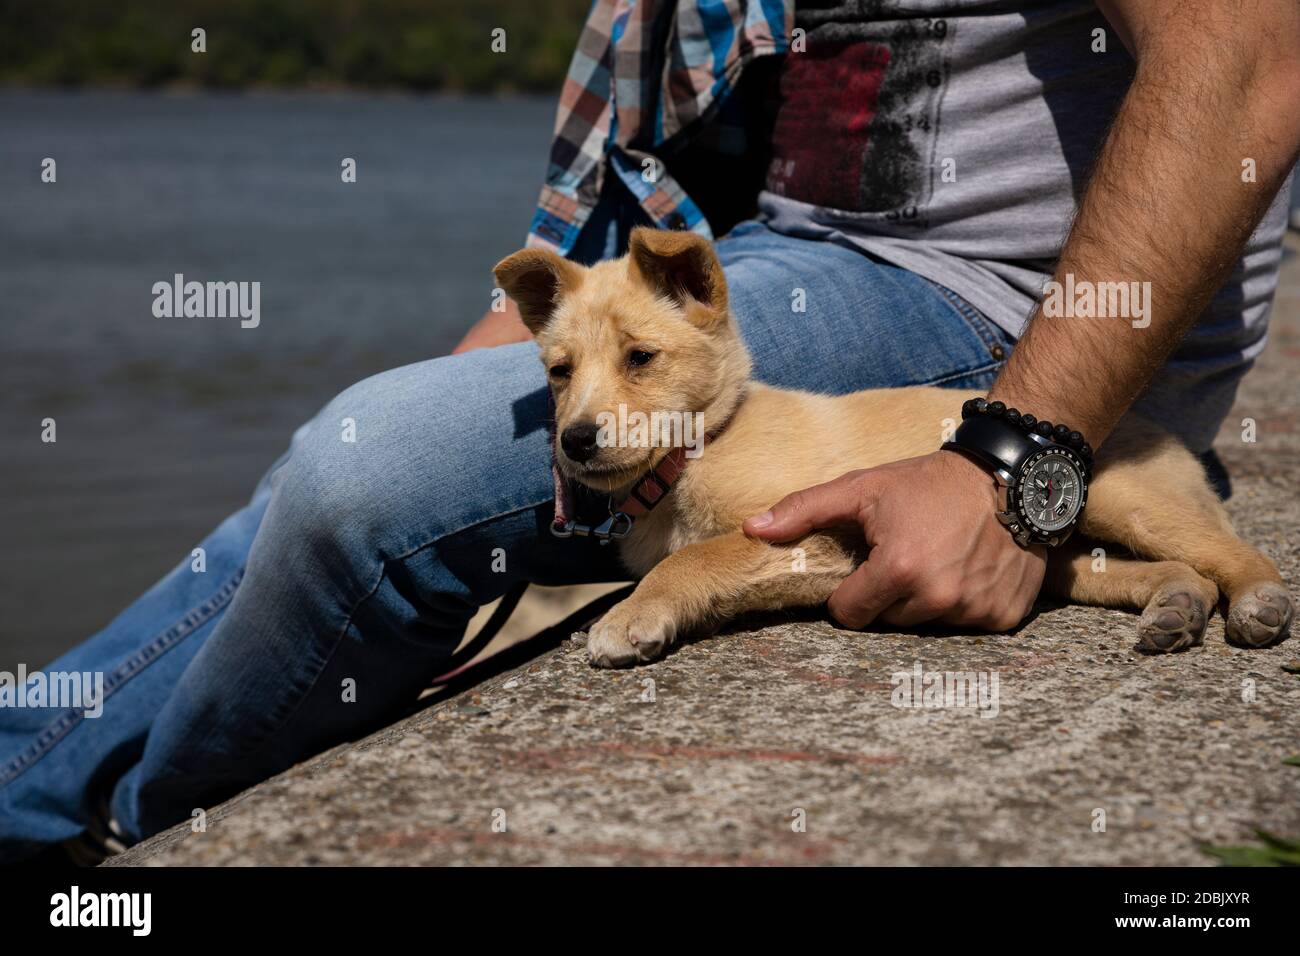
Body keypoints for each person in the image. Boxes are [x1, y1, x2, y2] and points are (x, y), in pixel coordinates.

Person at [2, 0, 1297, 863]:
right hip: (787, 250)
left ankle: (132, 836)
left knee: (374, 464)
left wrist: (1022, 451)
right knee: (335, 468)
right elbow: (669, 172)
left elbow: (1252, 55)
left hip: (1016, 302)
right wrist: (487, 387)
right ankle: (28, 799)